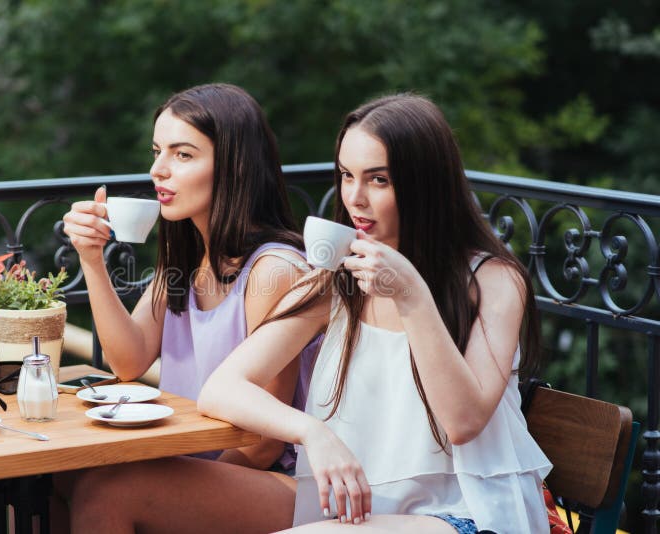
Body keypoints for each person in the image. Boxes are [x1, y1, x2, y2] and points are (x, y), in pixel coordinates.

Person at [199, 93, 552, 533]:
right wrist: (313, 432)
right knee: (124, 487)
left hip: (467, 513)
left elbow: (463, 423)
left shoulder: (493, 280)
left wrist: (412, 296)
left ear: (425, 185)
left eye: (378, 180)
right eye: (347, 175)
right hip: (354, 511)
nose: (354, 198)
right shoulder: (340, 276)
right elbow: (221, 389)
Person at [58, 83, 316, 533]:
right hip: (195, 460)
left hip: (287, 482)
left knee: (110, 490)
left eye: (182, 155)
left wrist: (176, 488)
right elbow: (128, 360)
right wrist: (91, 259)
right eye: (157, 151)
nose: (158, 170)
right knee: (54, 475)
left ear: (234, 166)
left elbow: (264, 444)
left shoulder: (273, 271)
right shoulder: (186, 260)